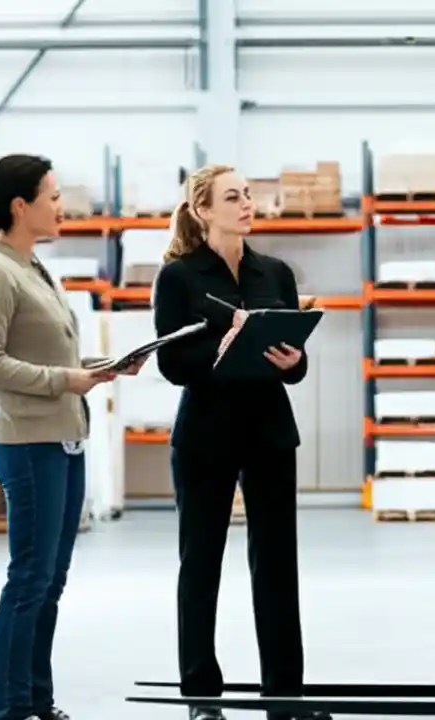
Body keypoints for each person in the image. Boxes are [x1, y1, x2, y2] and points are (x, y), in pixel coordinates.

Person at [0, 153, 145, 720]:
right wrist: (68, 380)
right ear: (21, 206)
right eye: (52, 196)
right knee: (28, 581)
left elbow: (48, 353)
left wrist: (103, 365)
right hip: (27, 443)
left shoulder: (33, 267)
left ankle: (38, 704)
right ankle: (12, 710)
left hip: (64, 440)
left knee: (50, 583)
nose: (61, 206)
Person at [151, 164, 326, 720]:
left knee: (277, 566)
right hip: (206, 431)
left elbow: (293, 368)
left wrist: (295, 360)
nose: (246, 203)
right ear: (203, 209)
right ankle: (202, 698)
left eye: (248, 195)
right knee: (200, 564)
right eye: (233, 197)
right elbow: (172, 362)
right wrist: (224, 347)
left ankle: (285, 695)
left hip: (269, 429)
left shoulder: (275, 273)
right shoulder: (178, 277)